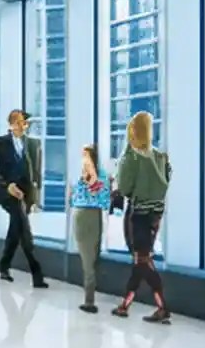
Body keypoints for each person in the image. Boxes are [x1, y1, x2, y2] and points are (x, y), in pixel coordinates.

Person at [112, 111, 172, 324]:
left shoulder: (132, 157)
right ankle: (125, 305)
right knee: (143, 260)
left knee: (142, 261)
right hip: (155, 215)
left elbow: (125, 187)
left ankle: (161, 307)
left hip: (137, 215)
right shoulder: (161, 157)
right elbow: (167, 178)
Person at [0, 109, 48, 288]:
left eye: (26, 123)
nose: (24, 126)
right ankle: (37, 274)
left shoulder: (33, 144)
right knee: (24, 230)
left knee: (16, 229)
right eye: (21, 122)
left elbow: (36, 173)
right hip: (8, 193)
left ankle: (4, 266)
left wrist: (36, 198)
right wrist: (7, 186)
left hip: (25, 195)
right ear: (12, 124)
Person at [68, 144, 111, 313]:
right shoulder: (103, 175)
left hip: (82, 215)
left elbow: (72, 197)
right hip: (96, 215)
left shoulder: (82, 175)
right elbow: (105, 200)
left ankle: (89, 301)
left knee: (87, 259)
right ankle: (90, 295)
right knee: (93, 256)